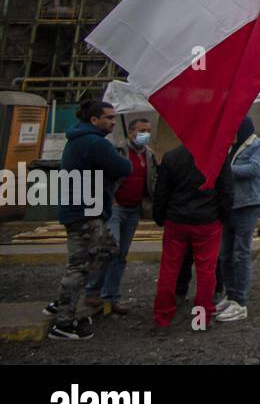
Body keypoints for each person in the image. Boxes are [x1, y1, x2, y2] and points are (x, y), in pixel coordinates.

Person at [45, 99, 133, 340]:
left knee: (108, 250)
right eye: (109, 118)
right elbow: (125, 168)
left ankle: (63, 300)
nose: (113, 122)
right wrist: (121, 159)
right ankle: (63, 324)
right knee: (81, 263)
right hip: (85, 212)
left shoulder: (80, 140)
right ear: (94, 120)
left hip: (84, 210)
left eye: (115, 118)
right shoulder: (94, 142)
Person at [152, 136, 233, 333]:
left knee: (169, 269)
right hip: (207, 221)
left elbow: (161, 192)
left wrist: (160, 217)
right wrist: (222, 217)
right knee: (206, 270)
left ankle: (162, 317)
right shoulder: (217, 157)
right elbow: (227, 193)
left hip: (177, 220)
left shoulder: (171, 157)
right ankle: (201, 319)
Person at [83, 117, 158, 315]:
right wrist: (110, 199)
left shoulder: (149, 155)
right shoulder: (118, 151)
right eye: (142, 130)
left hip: (134, 209)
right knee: (109, 248)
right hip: (115, 207)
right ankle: (93, 291)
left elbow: (151, 180)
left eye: (148, 130)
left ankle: (111, 296)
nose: (145, 134)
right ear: (131, 132)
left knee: (121, 255)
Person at [215, 117, 260, 323]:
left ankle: (240, 301)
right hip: (230, 204)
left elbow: (253, 169)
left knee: (241, 253)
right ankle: (229, 293)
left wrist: (223, 169)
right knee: (225, 255)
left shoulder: (258, 146)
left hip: (248, 204)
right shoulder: (231, 147)